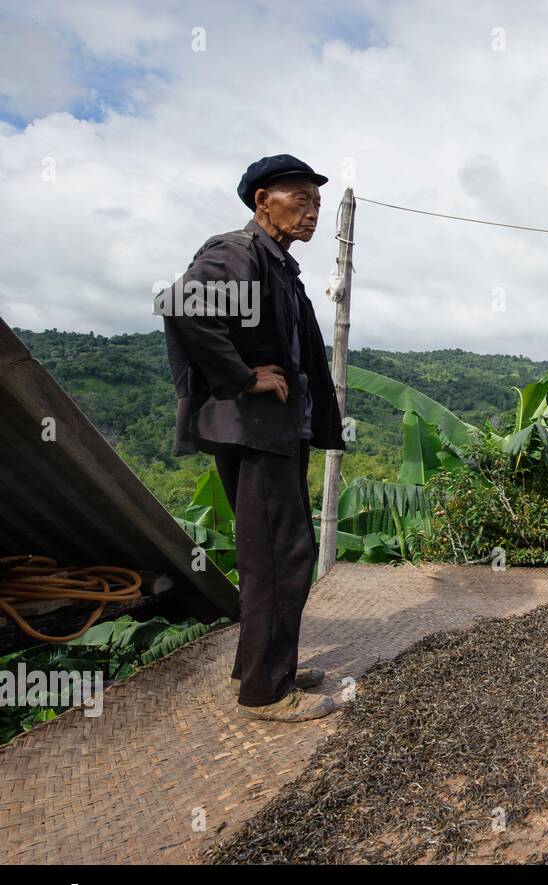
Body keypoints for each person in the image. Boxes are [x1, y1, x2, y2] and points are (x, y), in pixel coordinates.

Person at [156, 154, 345, 721]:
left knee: (274, 553)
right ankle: (264, 692)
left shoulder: (277, 264)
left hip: (274, 434)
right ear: (264, 200)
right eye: (301, 199)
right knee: (282, 557)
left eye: (317, 203)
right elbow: (183, 307)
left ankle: (264, 668)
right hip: (256, 432)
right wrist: (243, 376)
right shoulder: (237, 253)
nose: (312, 212)